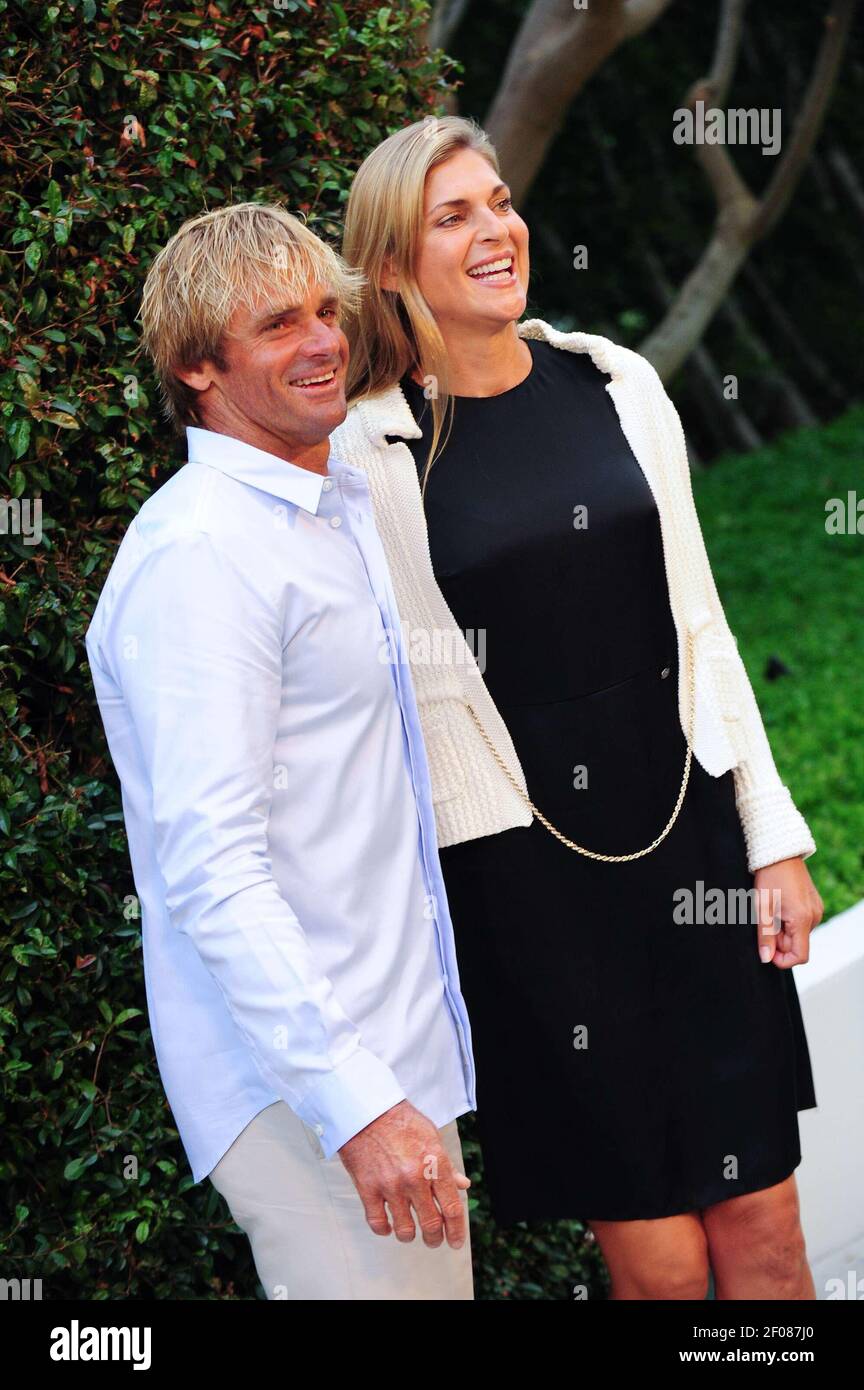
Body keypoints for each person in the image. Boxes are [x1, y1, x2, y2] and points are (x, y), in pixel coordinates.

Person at [328, 115, 825, 1300]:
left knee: (764, 1236)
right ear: (393, 265)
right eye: (454, 216)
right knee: (656, 1266)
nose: (498, 229)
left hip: (686, 841)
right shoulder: (363, 453)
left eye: (500, 201)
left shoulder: (616, 382)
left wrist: (774, 836)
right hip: (528, 889)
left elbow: (703, 622)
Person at [85, 202, 477, 1301]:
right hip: (311, 1092)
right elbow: (212, 869)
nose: (322, 342)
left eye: (324, 311)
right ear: (198, 369)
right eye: (276, 325)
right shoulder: (200, 556)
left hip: (380, 1059)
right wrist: (355, 1099)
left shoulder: (320, 502)